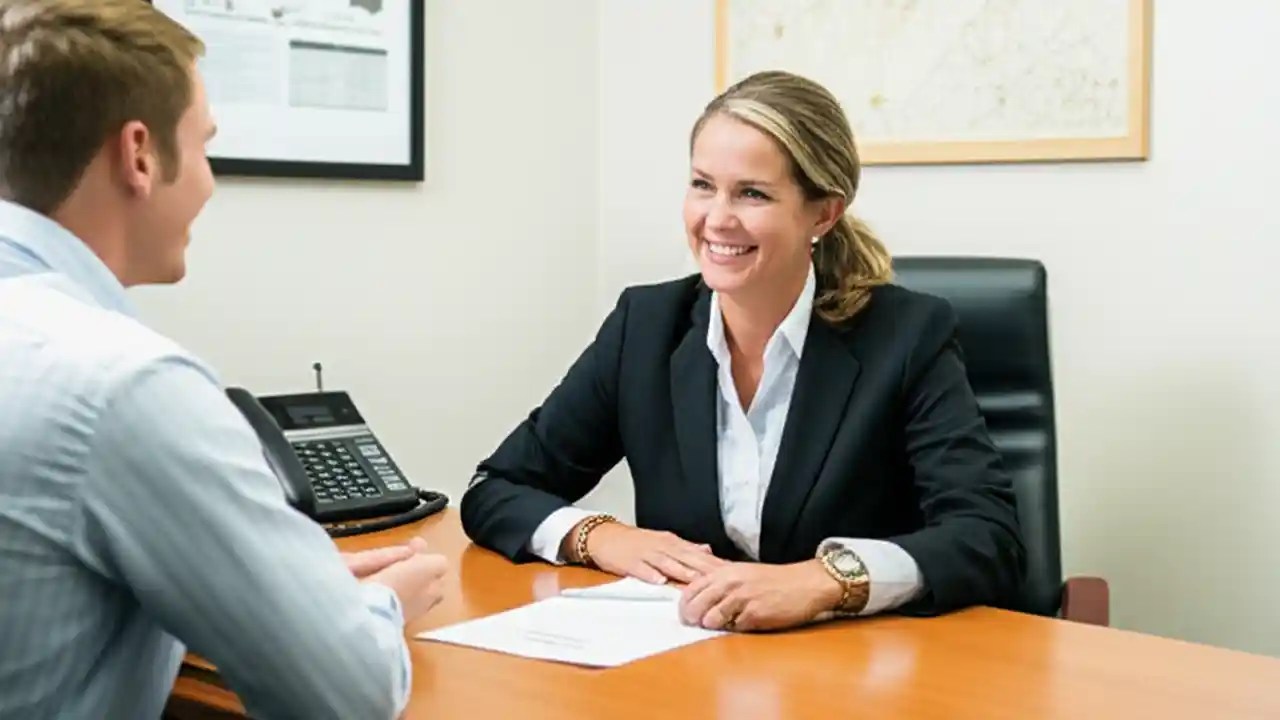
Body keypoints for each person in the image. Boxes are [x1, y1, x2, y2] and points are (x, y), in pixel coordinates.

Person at [0, 2, 447, 718]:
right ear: (139, 155)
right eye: (205, 146)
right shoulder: (124, 385)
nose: (209, 183)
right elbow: (346, 695)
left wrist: (256, 575)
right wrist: (374, 604)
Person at [461, 70, 1025, 633]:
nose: (717, 219)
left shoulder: (906, 335)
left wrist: (826, 581)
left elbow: (986, 536)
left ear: (823, 214)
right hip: (692, 667)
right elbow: (496, 490)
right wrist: (602, 537)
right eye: (703, 185)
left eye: (752, 193)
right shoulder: (646, 328)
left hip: (853, 670)